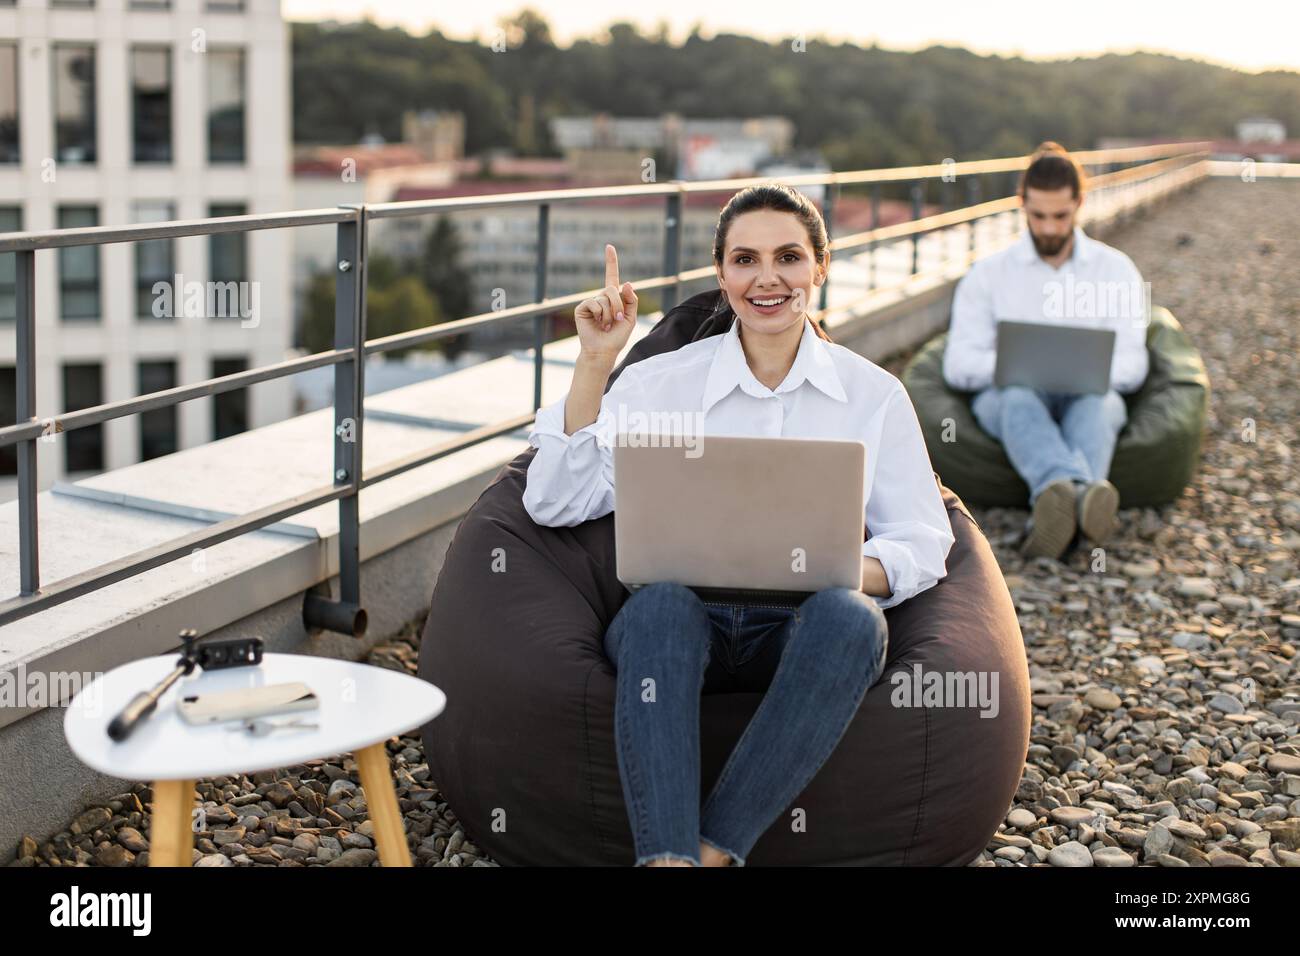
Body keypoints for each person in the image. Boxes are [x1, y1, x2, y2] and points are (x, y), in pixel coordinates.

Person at [522, 183, 955, 867]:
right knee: (662, 605)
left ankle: (710, 851)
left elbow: (925, 542)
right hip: (677, 623)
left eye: (788, 257)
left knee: (854, 619)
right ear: (721, 274)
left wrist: (843, 565)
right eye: (745, 259)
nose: (767, 278)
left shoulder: (873, 395)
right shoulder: (661, 382)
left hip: (801, 628)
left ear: (822, 264)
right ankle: (666, 859)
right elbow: (552, 500)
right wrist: (596, 363)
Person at [943, 142, 1150, 560]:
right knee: (1018, 397)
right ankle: (1082, 494)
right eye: (1038, 216)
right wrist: (1017, 368)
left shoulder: (1116, 270)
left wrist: (1081, 371)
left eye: (1060, 215)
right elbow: (957, 364)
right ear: (1022, 205)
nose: (1050, 228)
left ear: (1080, 203)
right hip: (1009, 396)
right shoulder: (988, 274)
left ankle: (1058, 506)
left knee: (1098, 403)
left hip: (1090, 394)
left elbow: (1134, 362)